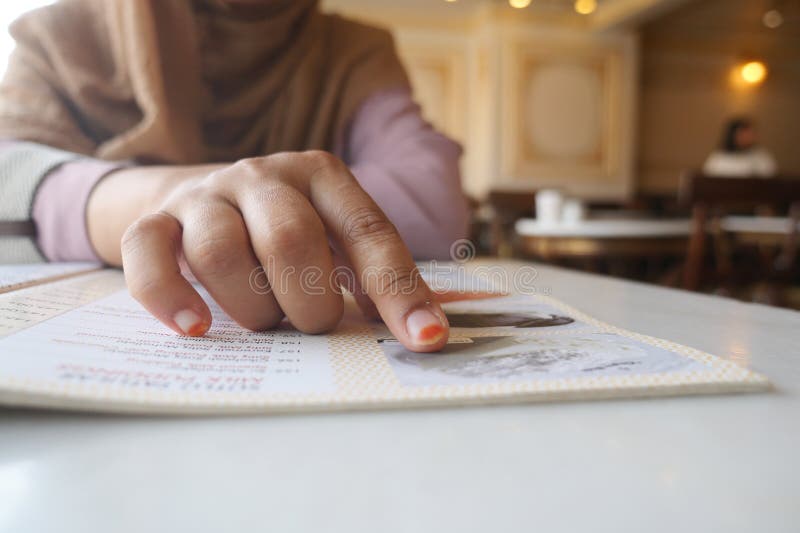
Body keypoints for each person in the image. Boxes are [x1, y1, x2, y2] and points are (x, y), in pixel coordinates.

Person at [0, 0, 470, 352]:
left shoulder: (355, 50)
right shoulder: (60, 34)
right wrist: (176, 202)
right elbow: (9, 183)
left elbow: (434, 202)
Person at [703, 117, 777, 177]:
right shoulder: (718, 158)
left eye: (750, 134)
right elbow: (708, 181)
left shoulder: (761, 157)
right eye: (743, 134)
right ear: (732, 135)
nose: (748, 138)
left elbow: (770, 180)